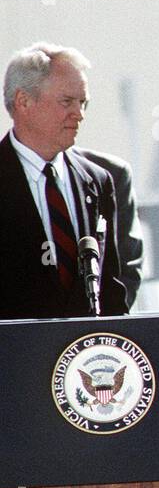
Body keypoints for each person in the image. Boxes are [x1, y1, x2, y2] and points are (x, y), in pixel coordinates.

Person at [1, 43, 128, 319]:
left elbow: (111, 290)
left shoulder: (97, 181)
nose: (79, 114)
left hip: (82, 357)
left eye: (83, 103)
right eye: (67, 101)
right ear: (23, 101)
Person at [74, 148, 143, 310]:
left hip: (98, 325)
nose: (79, 120)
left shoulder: (110, 171)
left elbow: (128, 265)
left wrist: (106, 328)